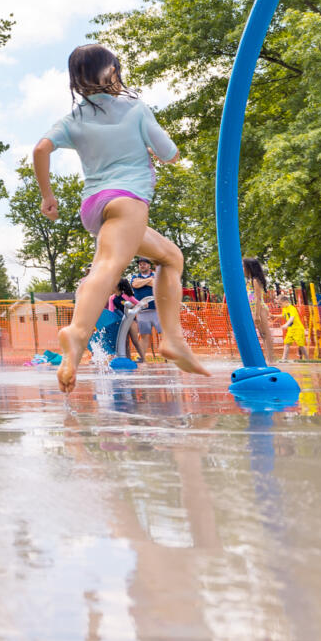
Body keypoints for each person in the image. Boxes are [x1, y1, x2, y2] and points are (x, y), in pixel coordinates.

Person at [33, 43, 209, 393]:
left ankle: (172, 340)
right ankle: (78, 333)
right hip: (128, 202)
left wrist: (48, 197)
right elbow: (171, 153)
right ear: (112, 72)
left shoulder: (75, 118)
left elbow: (41, 149)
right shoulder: (135, 108)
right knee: (109, 266)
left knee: (171, 257)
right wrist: (149, 150)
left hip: (96, 206)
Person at [243, 258, 275, 360]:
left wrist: (256, 315)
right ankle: (268, 357)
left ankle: (270, 358)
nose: (242, 269)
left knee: (266, 333)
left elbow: (258, 298)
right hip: (255, 309)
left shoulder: (255, 280)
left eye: (244, 266)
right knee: (262, 334)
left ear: (249, 268)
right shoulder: (249, 281)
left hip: (260, 308)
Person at [130, 258, 161, 360]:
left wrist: (143, 282)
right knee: (144, 336)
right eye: (140, 264)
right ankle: (142, 357)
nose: (142, 266)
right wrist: (150, 280)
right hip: (142, 312)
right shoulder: (135, 277)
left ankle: (169, 355)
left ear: (149, 265)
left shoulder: (157, 275)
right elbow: (135, 284)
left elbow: (156, 284)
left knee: (163, 334)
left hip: (158, 310)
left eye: (144, 264)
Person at [277, 298, 309, 362]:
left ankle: (307, 358)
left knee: (301, 345)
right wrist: (273, 315)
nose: (279, 305)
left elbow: (292, 317)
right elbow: (283, 315)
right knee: (287, 343)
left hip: (298, 329)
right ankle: (284, 359)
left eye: (280, 303)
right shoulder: (284, 308)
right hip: (291, 329)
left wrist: (286, 324)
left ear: (286, 301)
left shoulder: (292, 308)